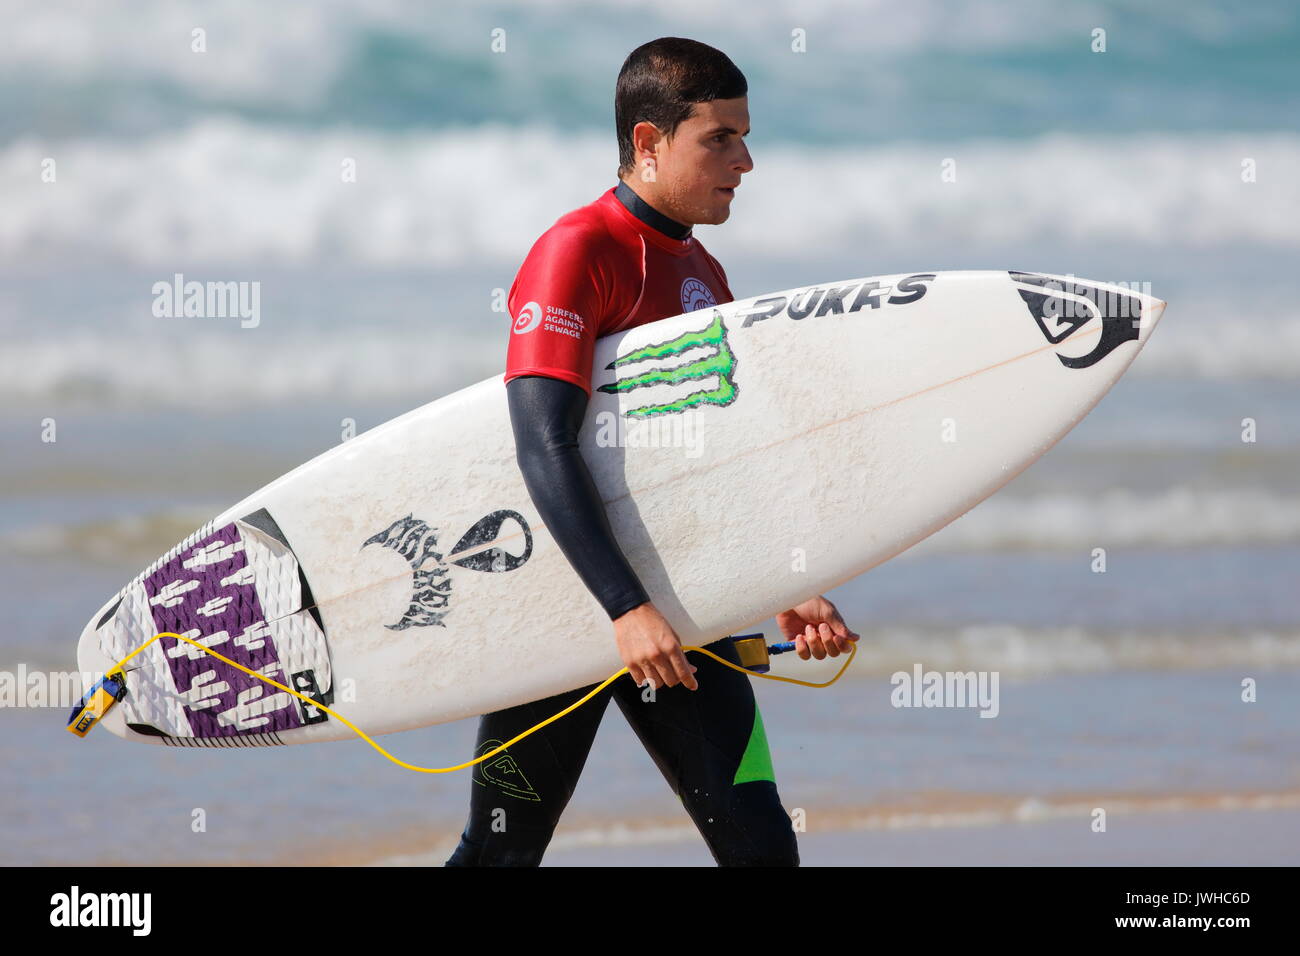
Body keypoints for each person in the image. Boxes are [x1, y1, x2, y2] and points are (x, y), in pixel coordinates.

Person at [445, 37, 859, 867]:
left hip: (684, 614)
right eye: (720, 139)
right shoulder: (578, 250)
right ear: (648, 141)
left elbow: (717, 460)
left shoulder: (703, 269)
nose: (745, 160)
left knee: (764, 851)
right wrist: (622, 610)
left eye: (744, 136)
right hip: (567, 610)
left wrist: (793, 581)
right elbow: (543, 445)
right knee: (498, 859)